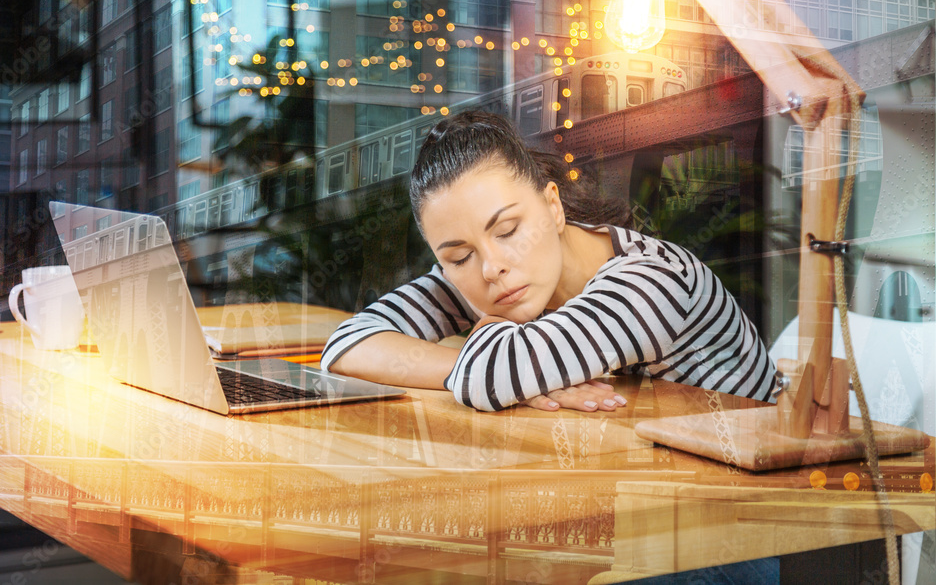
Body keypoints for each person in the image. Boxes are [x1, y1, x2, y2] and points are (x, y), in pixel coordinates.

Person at [320, 110, 777, 412]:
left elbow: (490, 376)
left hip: (768, 521)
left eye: (508, 231)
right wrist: (512, 372)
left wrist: (507, 367)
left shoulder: (651, 282)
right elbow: (346, 348)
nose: (490, 267)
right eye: (458, 256)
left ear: (552, 207)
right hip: (662, 501)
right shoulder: (496, 275)